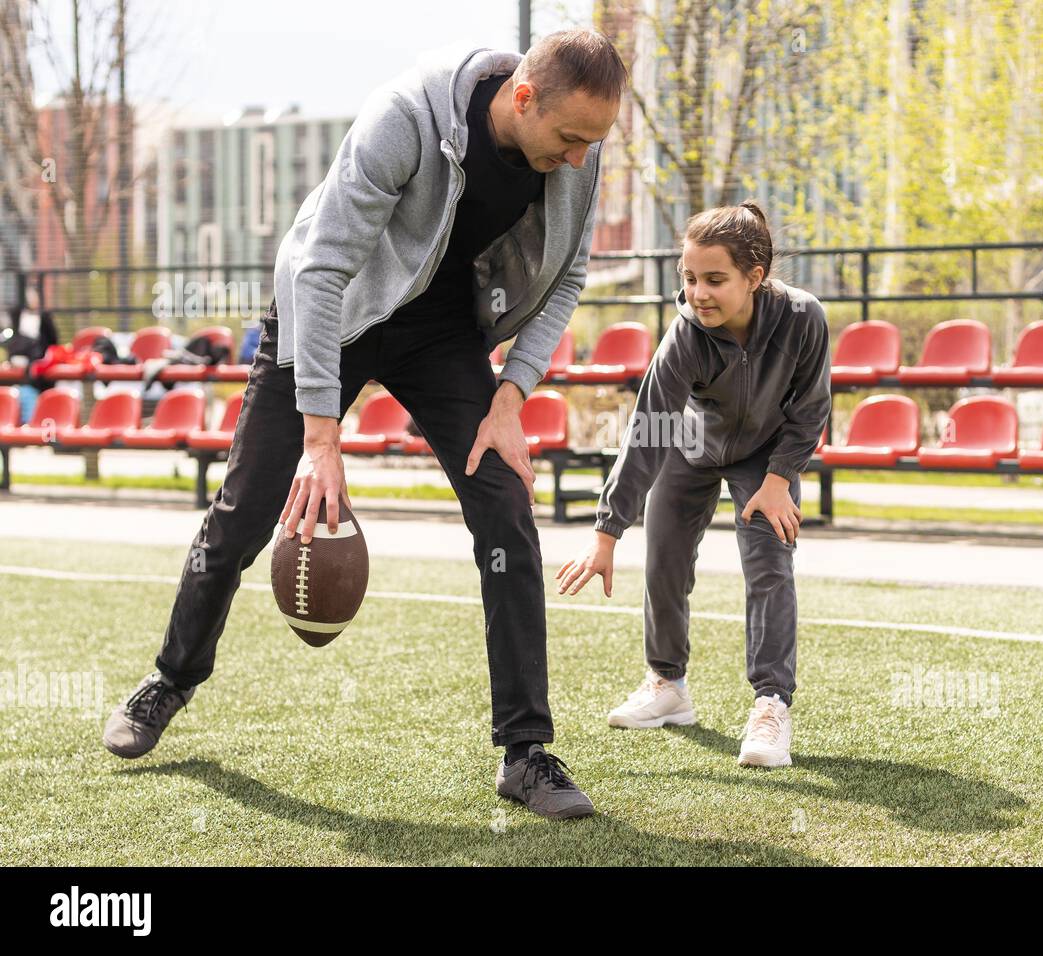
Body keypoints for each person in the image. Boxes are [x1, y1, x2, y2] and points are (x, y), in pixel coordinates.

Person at [102, 31, 627, 821]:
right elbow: (320, 269)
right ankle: (170, 680)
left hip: (439, 327)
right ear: (523, 99)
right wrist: (321, 439)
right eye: (571, 140)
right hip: (329, 312)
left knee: (505, 501)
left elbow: (569, 275)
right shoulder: (404, 117)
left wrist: (513, 395)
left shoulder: (577, 151)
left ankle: (526, 753)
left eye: (594, 141)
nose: (583, 158)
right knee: (246, 510)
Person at [556, 201, 831, 768]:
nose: (698, 293)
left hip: (765, 458)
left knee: (770, 565)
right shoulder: (684, 336)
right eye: (689, 278)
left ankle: (771, 704)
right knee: (665, 560)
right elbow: (647, 430)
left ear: (754, 278)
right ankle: (668, 687)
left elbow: (811, 409)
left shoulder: (803, 317)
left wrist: (780, 479)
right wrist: (607, 531)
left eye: (714, 279)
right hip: (691, 446)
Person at [4, 285, 60, 422]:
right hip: (18, 370)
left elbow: (53, 342)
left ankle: (31, 426)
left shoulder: (44, 318)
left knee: (29, 394)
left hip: (36, 373)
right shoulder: (17, 316)